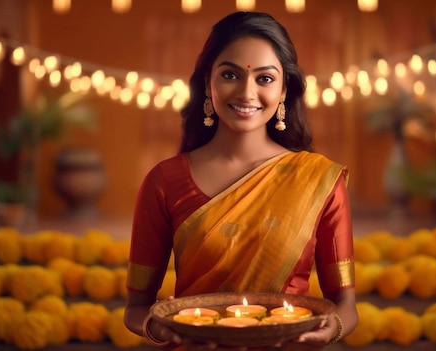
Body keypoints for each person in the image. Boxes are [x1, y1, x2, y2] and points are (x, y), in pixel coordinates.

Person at [124, 11, 358, 350]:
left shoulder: (319, 180)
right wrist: (158, 329)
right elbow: (135, 308)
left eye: (264, 79)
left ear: (284, 88)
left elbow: (347, 307)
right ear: (208, 82)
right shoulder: (164, 181)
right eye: (230, 74)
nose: (247, 93)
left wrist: (331, 328)